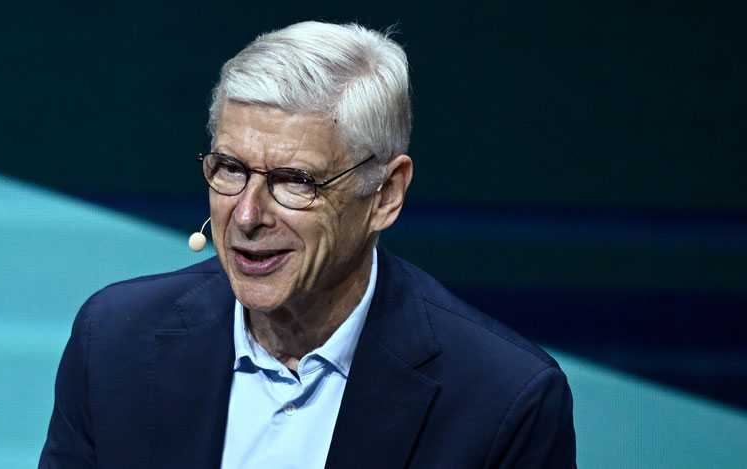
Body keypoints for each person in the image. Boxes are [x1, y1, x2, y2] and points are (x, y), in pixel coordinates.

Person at [40, 21, 575, 468]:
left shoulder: (505, 400)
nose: (247, 215)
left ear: (386, 195)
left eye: (296, 180)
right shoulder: (113, 343)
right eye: (230, 168)